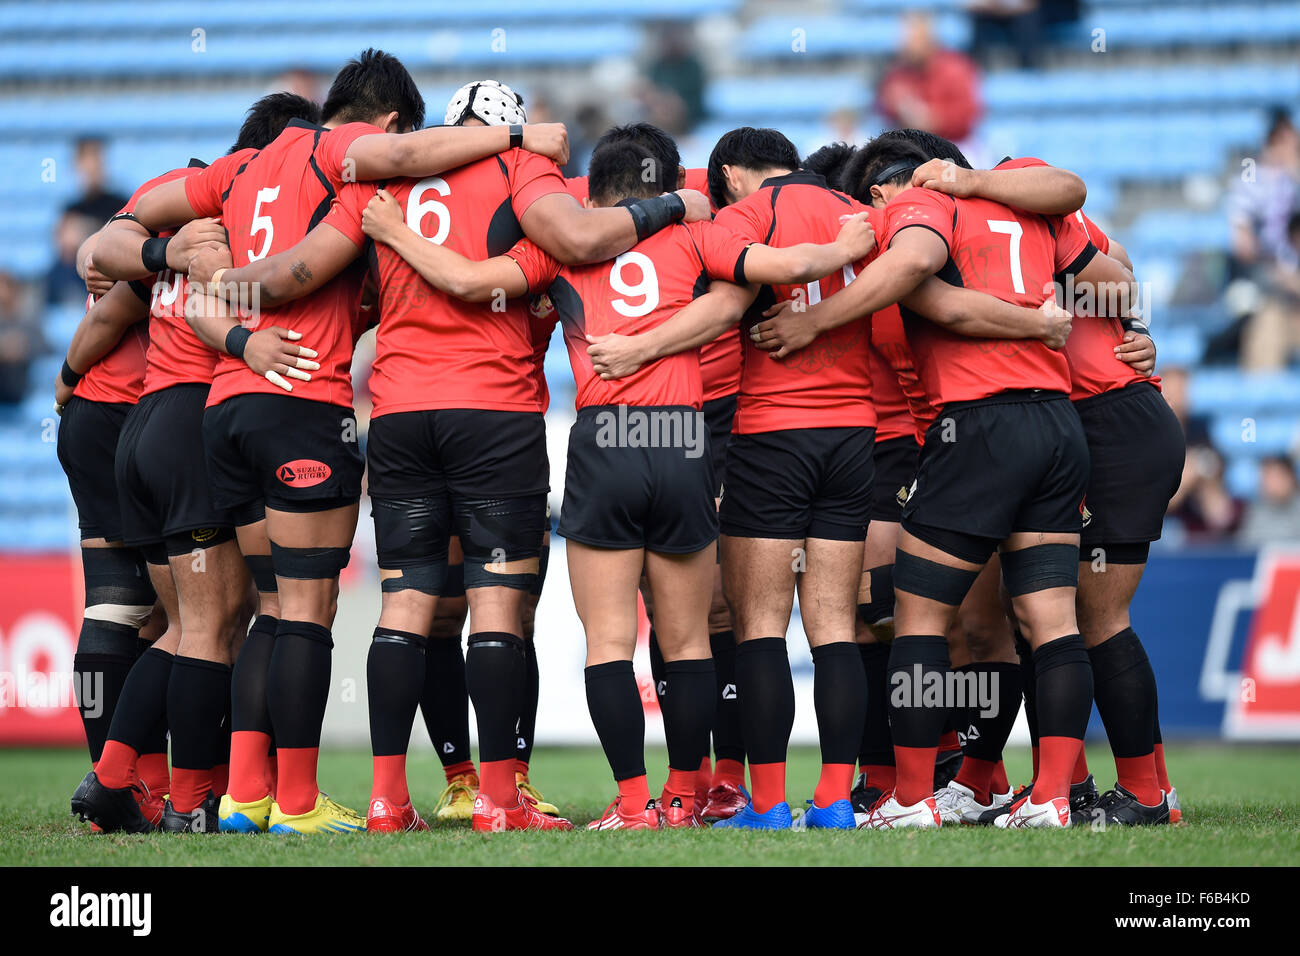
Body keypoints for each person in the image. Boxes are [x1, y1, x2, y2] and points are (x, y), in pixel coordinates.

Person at [359, 133, 877, 829]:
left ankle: (632, 807)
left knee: (607, 640)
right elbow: (770, 273)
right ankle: (689, 798)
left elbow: (471, 282)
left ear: (594, 193)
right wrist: (846, 249)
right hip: (682, 437)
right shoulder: (699, 237)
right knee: (689, 637)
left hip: (606, 439)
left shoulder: (563, 247)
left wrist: (394, 232)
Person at [586, 128, 1071, 830]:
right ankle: (838, 800)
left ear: (733, 175)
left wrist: (637, 348)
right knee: (837, 628)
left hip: (770, 435)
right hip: (855, 440)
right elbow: (919, 285)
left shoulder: (741, 217)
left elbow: (723, 306)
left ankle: (772, 804)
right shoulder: (864, 214)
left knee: (758, 628)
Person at [751, 136, 1142, 828]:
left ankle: (910, 798)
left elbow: (926, 282)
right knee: (1050, 622)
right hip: (1055, 425)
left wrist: (811, 320)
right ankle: (1054, 797)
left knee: (921, 619)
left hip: (979, 429)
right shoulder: (1017, 211)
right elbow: (1083, 214)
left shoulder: (923, 208)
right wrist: (1114, 325)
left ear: (881, 193)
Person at [66, 94, 321, 834]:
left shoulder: (173, 199)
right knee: (206, 628)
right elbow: (251, 295)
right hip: (186, 420)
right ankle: (166, 794)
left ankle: (153, 784)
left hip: (139, 425)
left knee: (169, 621)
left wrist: (151, 259)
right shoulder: (252, 213)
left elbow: (97, 258)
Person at [875, 13, 982, 148]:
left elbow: (968, 115)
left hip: (957, 145)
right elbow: (882, 109)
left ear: (929, 40)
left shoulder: (955, 69)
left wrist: (933, 120)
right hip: (914, 146)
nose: (907, 47)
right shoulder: (898, 73)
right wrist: (893, 105)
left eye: (913, 40)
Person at [1239, 455, 1300, 547]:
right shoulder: (1255, 511)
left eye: (1275, 477)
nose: (1268, 483)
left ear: (1291, 478)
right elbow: (1246, 547)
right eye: (1265, 477)